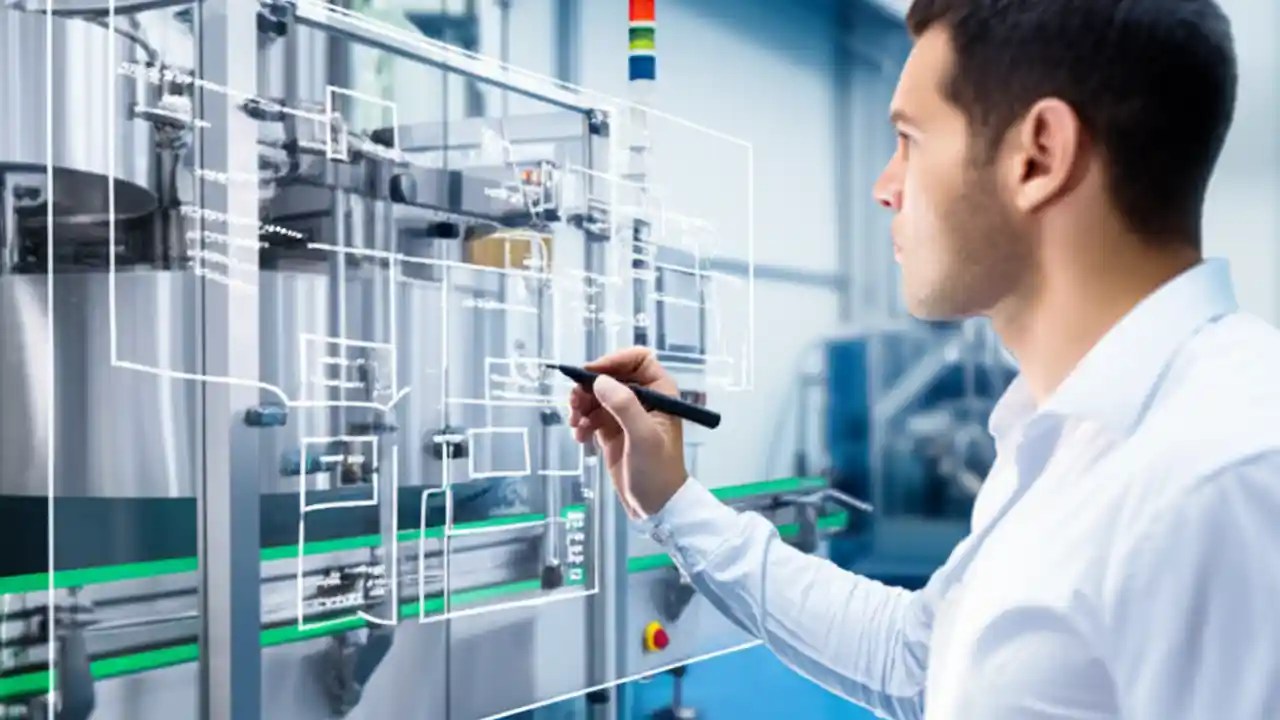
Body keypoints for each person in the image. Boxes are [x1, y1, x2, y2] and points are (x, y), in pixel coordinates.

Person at [566, 1, 1280, 718]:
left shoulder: (1225, 478)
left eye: (909, 139)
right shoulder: (1057, 434)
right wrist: (672, 500)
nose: (886, 187)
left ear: (1038, 156)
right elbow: (915, 665)